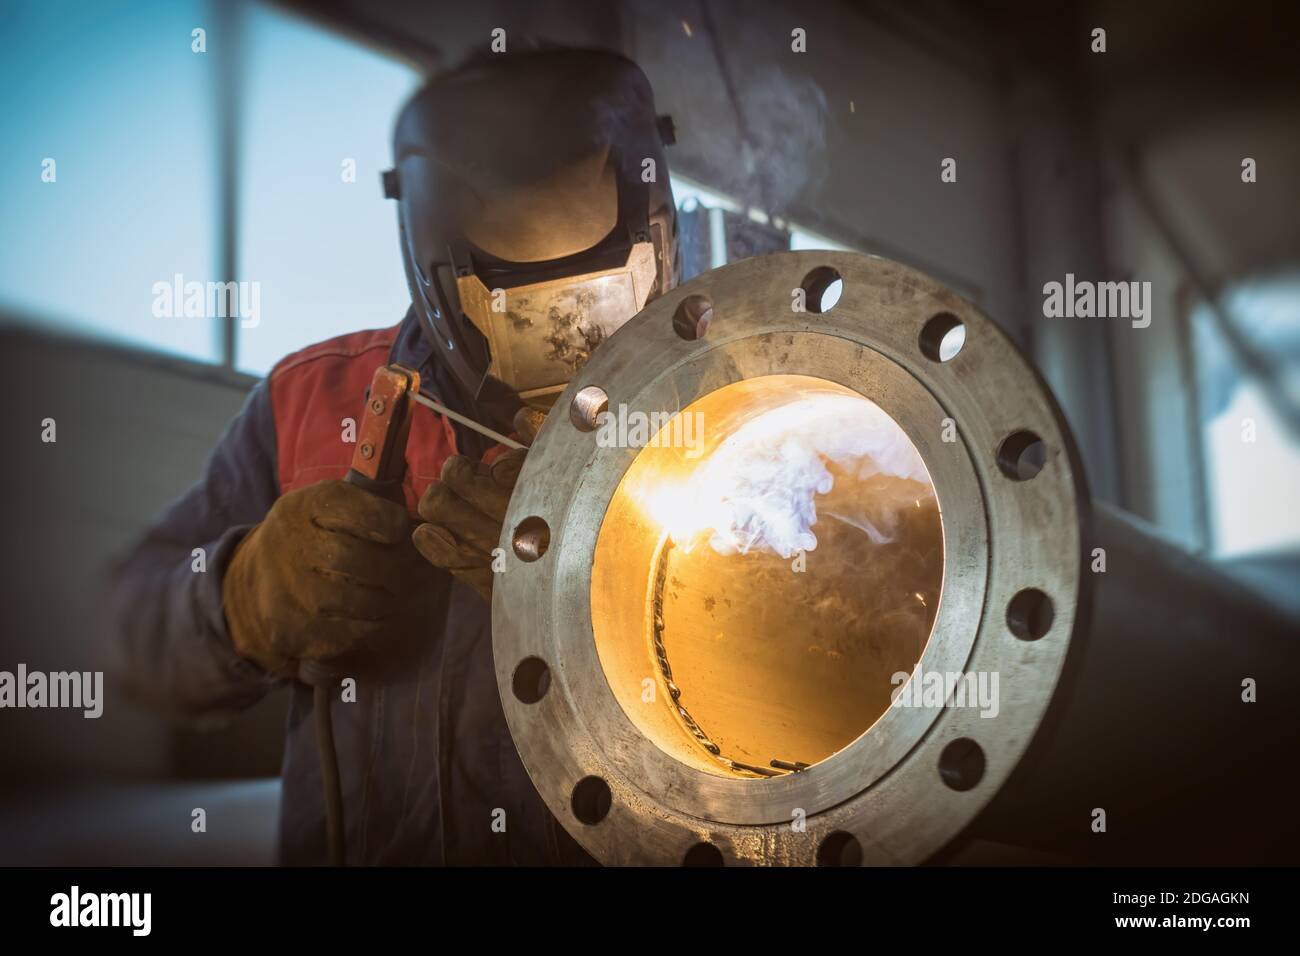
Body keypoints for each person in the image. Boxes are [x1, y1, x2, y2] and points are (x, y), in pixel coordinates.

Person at [106, 47, 679, 865]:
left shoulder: (737, 411)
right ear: (438, 268)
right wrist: (243, 598)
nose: (571, 352)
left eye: (593, 307)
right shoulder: (313, 400)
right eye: (530, 318)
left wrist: (605, 595)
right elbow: (130, 633)